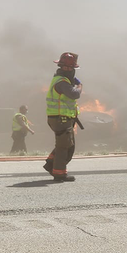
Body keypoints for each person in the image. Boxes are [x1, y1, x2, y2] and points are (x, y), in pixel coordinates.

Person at [43, 52, 81, 182]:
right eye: (66, 67)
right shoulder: (62, 82)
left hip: (61, 118)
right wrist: (79, 86)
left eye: (70, 68)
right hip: (61, 119)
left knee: (65, 145)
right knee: (64, 147)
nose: (68, 70)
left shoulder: (61, 80)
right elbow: (74, 94)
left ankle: (50, 164)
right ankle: (59, 173)